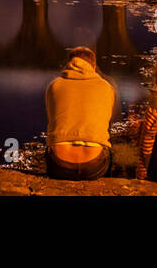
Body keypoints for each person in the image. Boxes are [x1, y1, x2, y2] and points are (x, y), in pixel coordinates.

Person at [45, 46, 117, 180]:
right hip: (94, 165)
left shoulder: (54, 86)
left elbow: (52, 120)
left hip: (60, 164)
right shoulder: (106, 87)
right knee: (109, 151)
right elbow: (105, 123)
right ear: (93, 66)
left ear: (69, 64)